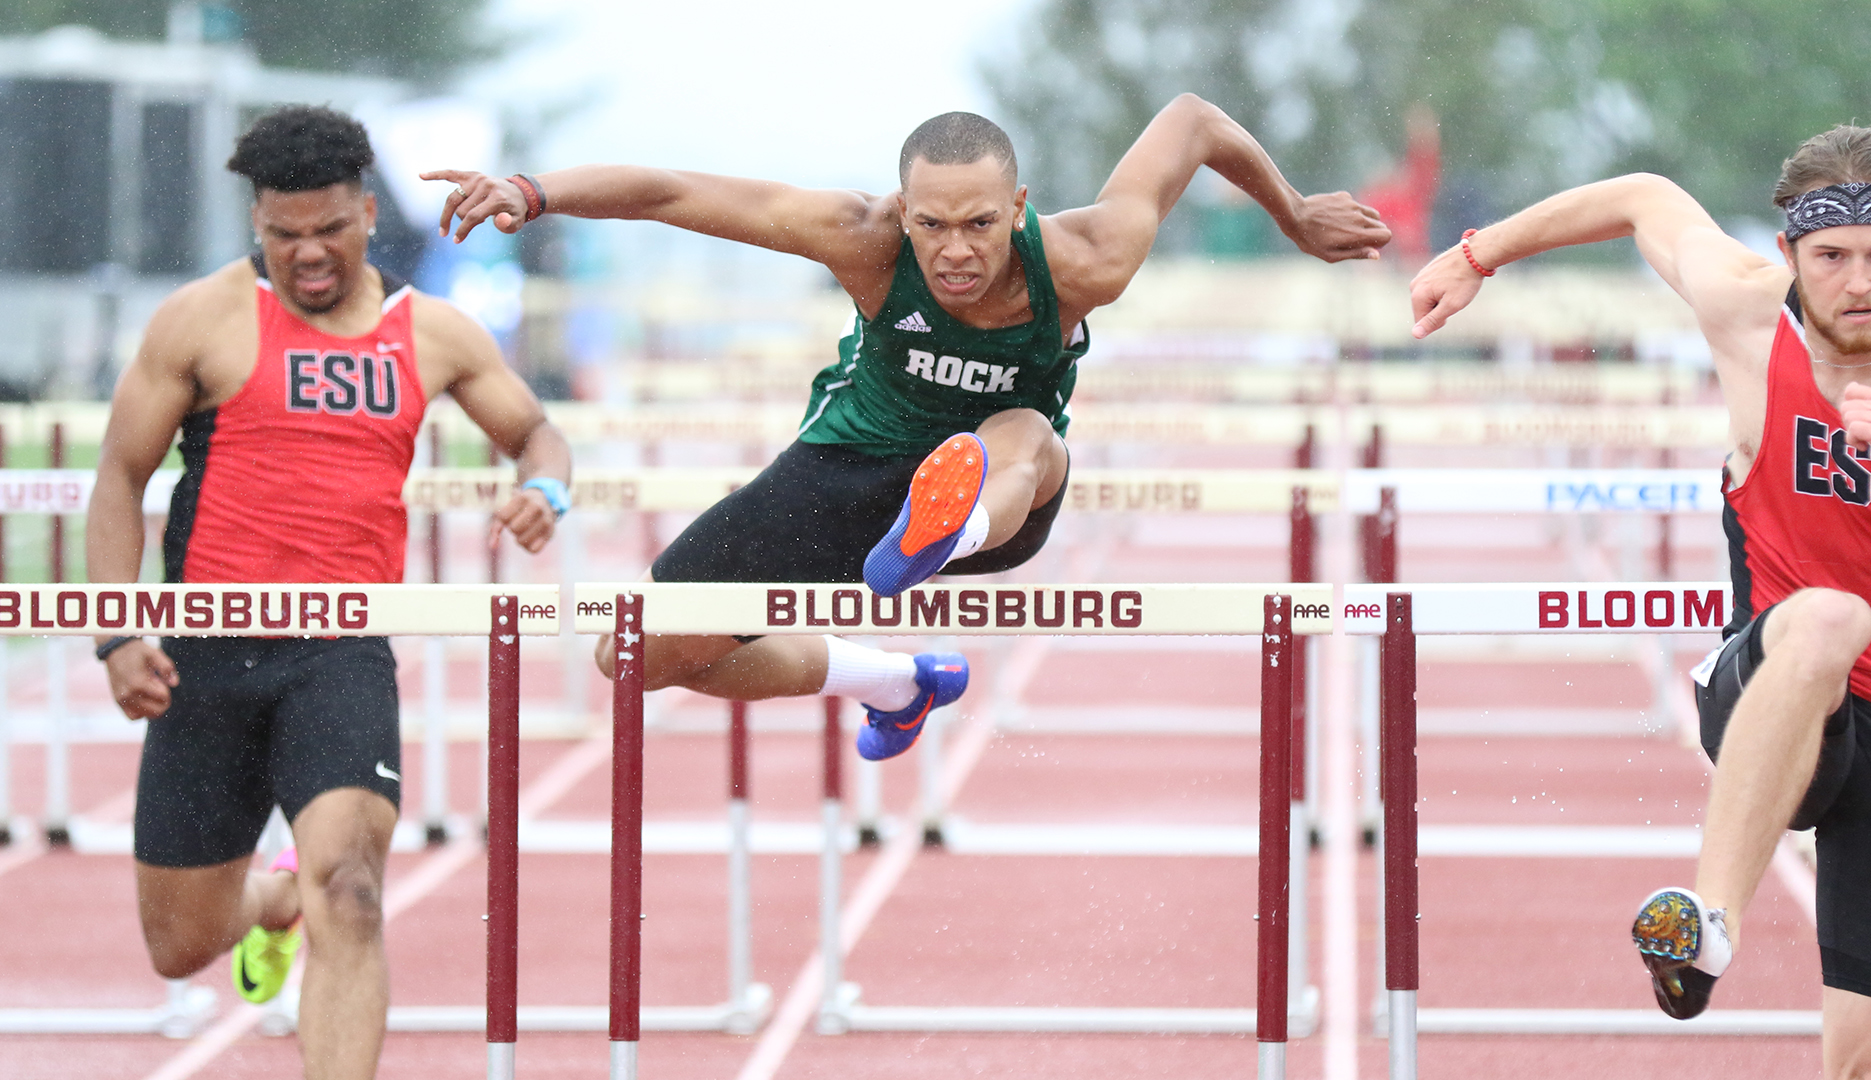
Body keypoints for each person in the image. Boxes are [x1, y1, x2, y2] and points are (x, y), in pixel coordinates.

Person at [429, 96, 1389, 761]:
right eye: (932, 225)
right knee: (632, 655)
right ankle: (891, 683)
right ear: (903, 209)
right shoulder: (863, 235)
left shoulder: (1087, 256)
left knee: (1025, 434)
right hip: (845, 473)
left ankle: (954, 518)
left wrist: (1294, 214)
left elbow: (1192, 119)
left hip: (1003, 497)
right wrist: (534, 190)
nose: (955, 251)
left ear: (1018, 207)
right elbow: (675, 196)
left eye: (978, 224)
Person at [1409, 123, 1871, 1079]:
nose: (1859, 283)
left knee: (1870, 1055)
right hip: (1777, 685)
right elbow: (1643, 194)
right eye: (1834, 258)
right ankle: (1710, 924)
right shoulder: (1744, 313)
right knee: (1828, 618)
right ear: (1790, 259)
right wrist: (1476, 253)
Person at [87, 105, 572, 1080]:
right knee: (179, 946)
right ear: (257, 225)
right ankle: (272, 904)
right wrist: (116, 632)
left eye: (331, 230)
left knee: (349, 889)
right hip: (206, 652)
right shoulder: (201, 319)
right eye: (284, 235)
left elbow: (536, 433)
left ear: (365, 211)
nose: (309, 254)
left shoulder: (429, 334)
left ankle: (309, 912)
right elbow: (119, 479)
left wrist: (543, 489)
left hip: (342, 652)